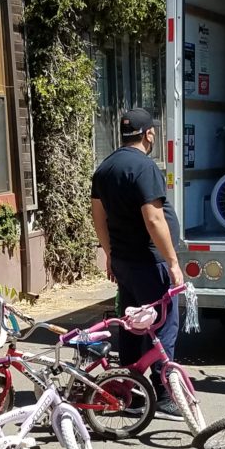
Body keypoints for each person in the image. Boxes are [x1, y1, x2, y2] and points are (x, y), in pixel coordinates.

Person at [90, 107, 185, 420]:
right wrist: (172, 263)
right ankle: (165, 394)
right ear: (149, 135)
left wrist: (110, 254)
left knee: (131, 325)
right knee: (162, 325)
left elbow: (98, 216)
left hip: (125, 261)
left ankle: (128, 393)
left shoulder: (104, 168)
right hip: (149, 261)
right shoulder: (144, 167)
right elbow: (154, 217)